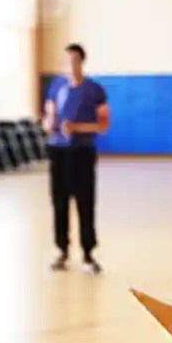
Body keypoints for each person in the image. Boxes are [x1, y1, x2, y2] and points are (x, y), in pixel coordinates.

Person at [44, 43, 109, 274]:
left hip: (82, 151)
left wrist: (78, 127)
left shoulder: (94, 90)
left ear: (81, 62)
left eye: (74, 60)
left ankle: (88, 253)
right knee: (59, 202)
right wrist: (49, 125)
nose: (70, 65)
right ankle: (61, 249)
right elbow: (49, 116)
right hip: (58, 152)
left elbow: (103, 124)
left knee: (85, 202)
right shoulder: (56, 88)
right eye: (67, 61)